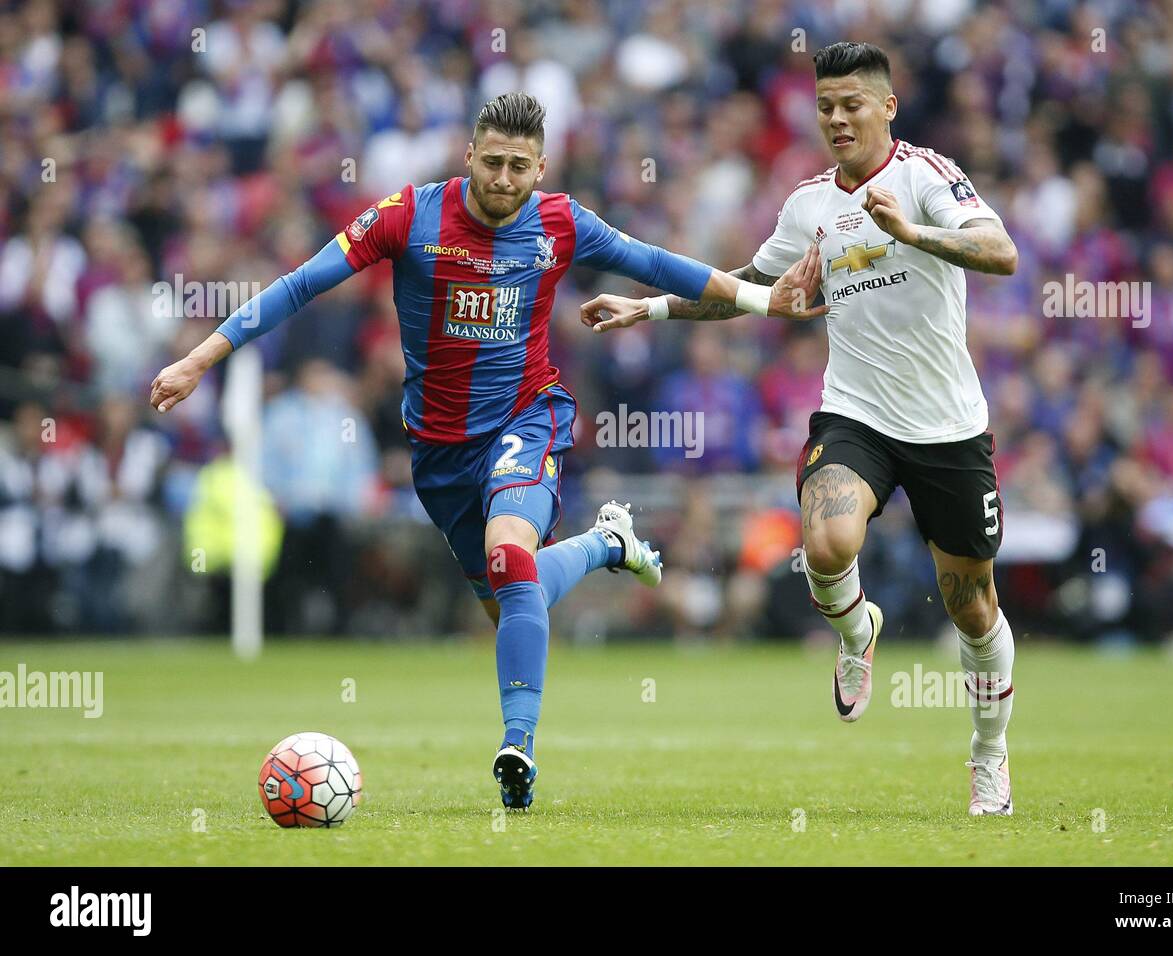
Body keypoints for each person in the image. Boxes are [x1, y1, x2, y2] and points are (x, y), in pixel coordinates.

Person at [148, 91, 824, 810]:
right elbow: (302, 284)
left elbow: (654, 263)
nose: (503, 178)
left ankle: (518, 749)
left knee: (510, 555)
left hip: (526, 421)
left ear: (541, 168)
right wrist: (201, 358)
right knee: (512, 598)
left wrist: (763, 301)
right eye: (492, 162)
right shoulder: (407, 217)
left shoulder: (563, 223)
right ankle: (605, 546)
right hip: (439, 454)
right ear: (469, 156)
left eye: (519, 167)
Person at [581, 43, 1021, 816]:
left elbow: (1001, 252)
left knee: (972, 608)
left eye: (853, 104)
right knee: (824, 544)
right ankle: (856, 636)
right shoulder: (809, 203)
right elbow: (748, 289)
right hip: (856, 412)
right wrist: (647, 308)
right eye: (825, 107)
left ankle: (989, 754)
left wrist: (914, 235)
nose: (838, 119)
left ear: (888, 106)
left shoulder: (927, 176)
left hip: (949, 427)